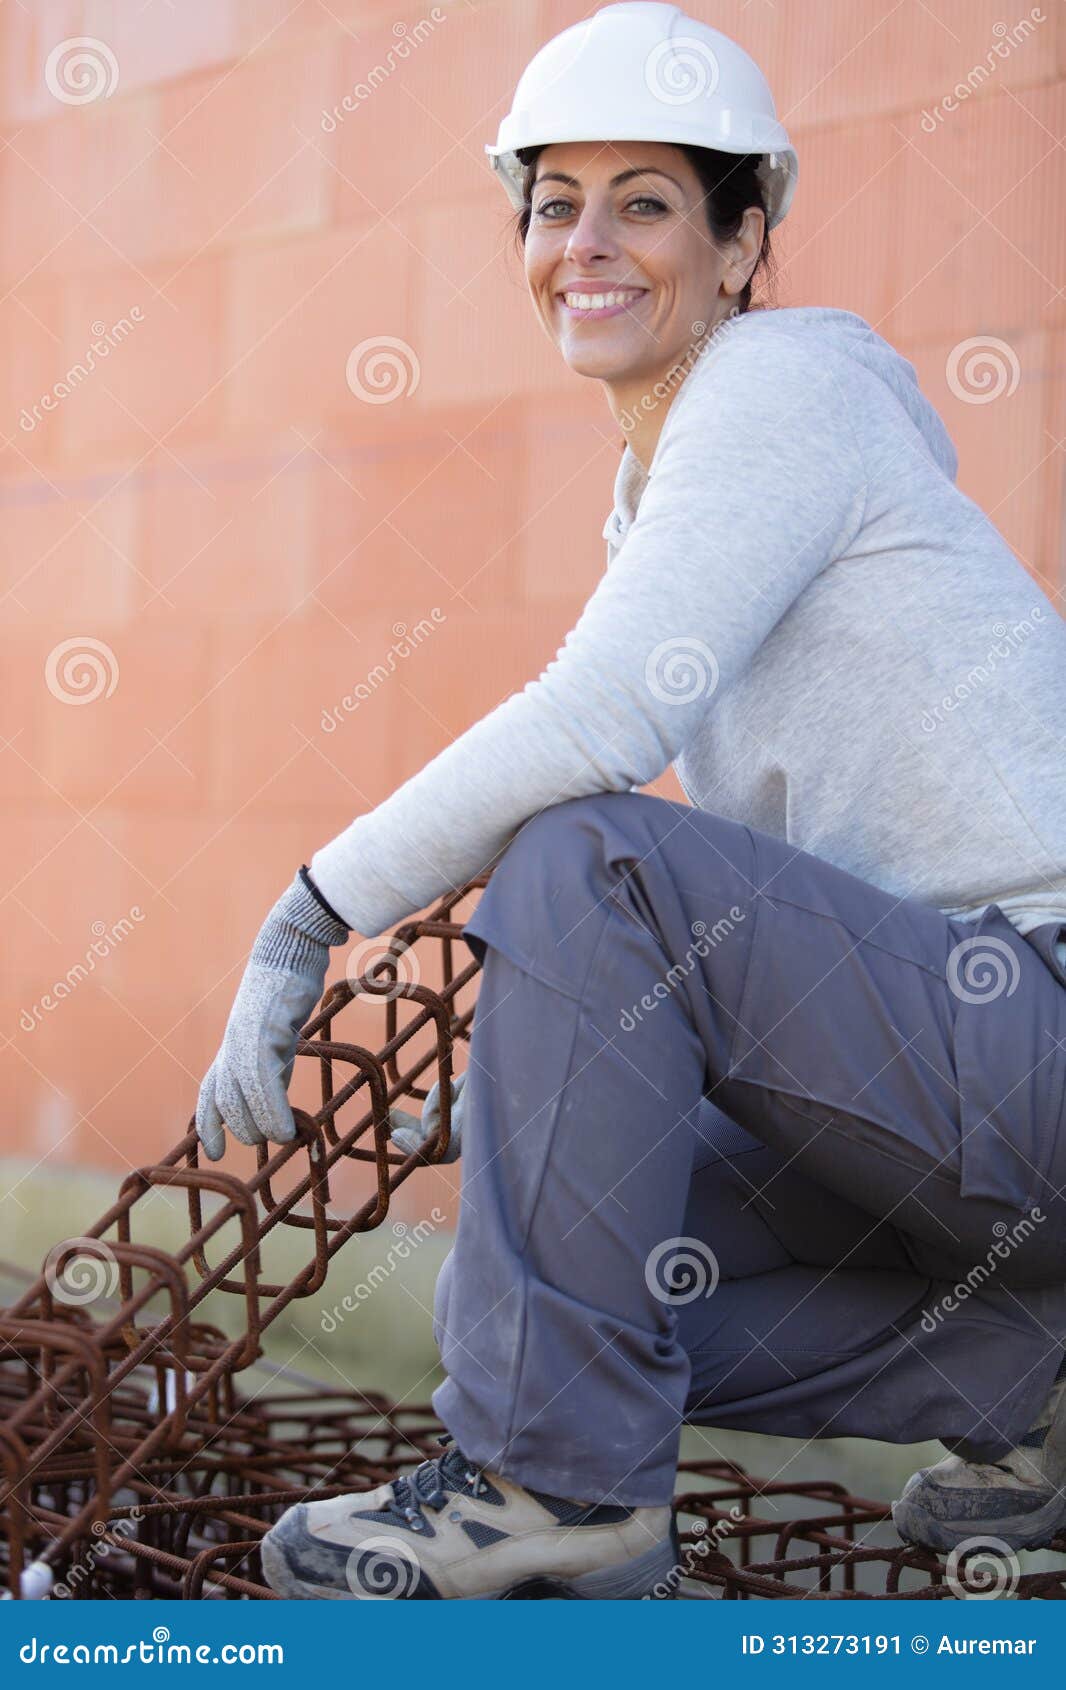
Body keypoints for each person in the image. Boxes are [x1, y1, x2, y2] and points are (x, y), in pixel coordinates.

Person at [196, 3, 1066, 1600]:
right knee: (554, 1285)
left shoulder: (784, 388)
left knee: (584, 852)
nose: (584, 242)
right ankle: (1026, 1370)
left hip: (1037, 1029)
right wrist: (547, 1111)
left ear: (743, 243)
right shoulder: (667, 479)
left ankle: (560, 1500)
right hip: (975, 1096)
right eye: (552, 202)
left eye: (645, 201)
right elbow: (794, 959)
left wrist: (310, 907)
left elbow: (602, 729)